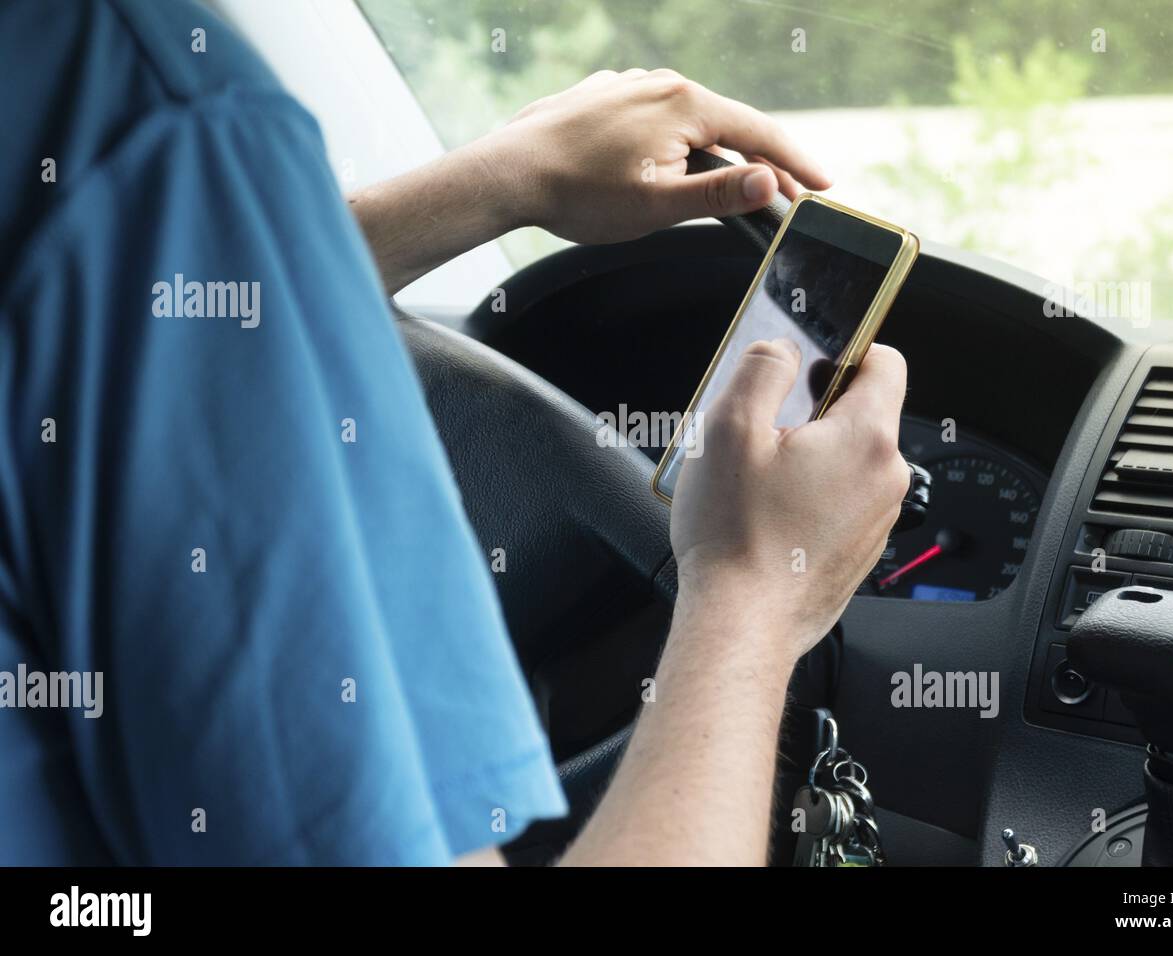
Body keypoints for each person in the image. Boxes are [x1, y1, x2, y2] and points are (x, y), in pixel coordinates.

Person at [0, 0, 910, 866]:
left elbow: (144, 321)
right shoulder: (140, 110)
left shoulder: (79, 106)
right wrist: (750, 591)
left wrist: (500, 179)